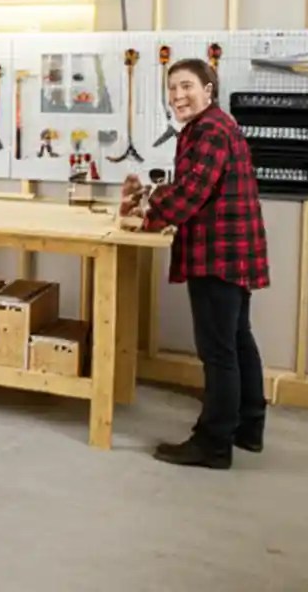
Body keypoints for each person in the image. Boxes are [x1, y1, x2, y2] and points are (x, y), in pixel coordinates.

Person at [120, 58, 270, 470]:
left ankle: (213, 444)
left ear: (209, 89)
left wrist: (146, 214)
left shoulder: (208, 130)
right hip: (234, 250)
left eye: (186, 86)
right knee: (238, 339)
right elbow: (192, 184)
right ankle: (248, 427)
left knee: (218, 351)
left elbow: (190, 194)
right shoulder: (214, 127)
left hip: (217, 255)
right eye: (172, 89)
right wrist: (150, 194)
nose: (178, 96)